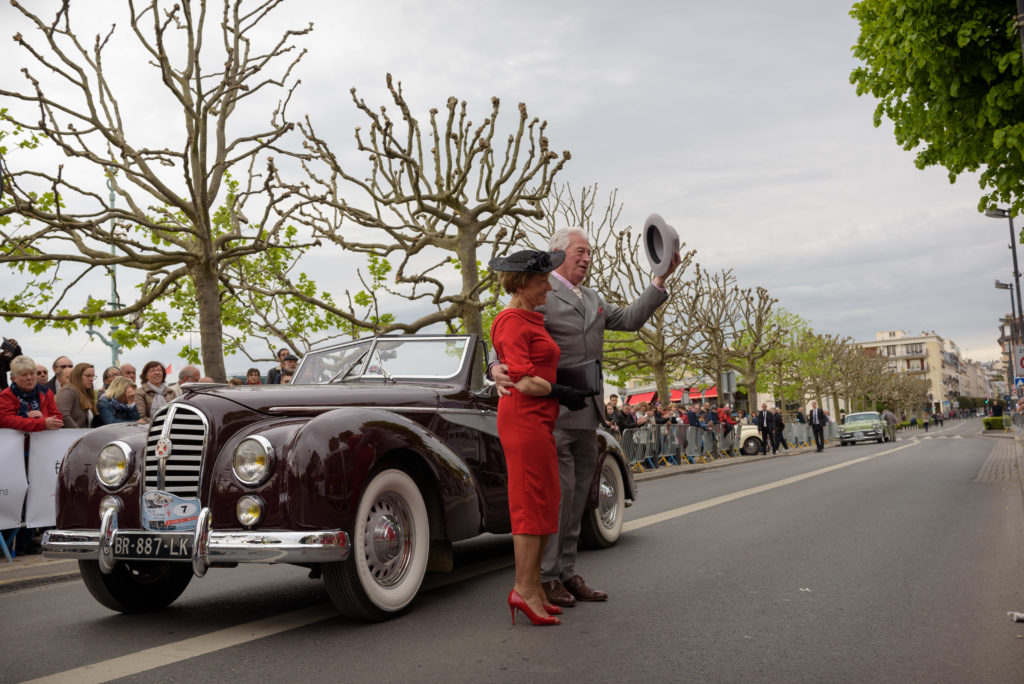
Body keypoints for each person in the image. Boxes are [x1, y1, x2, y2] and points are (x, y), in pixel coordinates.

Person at [492, 226, 681, 608]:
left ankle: (565, 571)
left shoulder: (593, 298)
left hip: (586, 412)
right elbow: (509, 333)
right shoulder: (540, 291)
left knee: (578, 497)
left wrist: (659, 281)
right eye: (580, 251)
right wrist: (495, 367)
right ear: (559, 254)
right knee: (556, 498)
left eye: (590, 252)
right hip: (549, 412)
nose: (587, 257)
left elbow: (629, 319)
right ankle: (543, 579)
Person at [489, 248, 589, 626]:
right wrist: (562, 392)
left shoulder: (529, 316)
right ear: (521, 284)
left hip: (539, 420)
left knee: (545, 501)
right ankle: (524, 589)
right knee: (530, 505)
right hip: (523, 419)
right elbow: (523, 379)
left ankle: (531, 587)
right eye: (542, 280)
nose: (549, 285)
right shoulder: (511, 319)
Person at [0, 356, 63, 554]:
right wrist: (36, 422)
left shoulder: (46, 393)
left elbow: (57, 418)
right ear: (14, 378)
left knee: (35, 495)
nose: (30, 378)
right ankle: (10, 543)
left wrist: (42, 419)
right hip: (14, 454)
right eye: (24, 375)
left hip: (40, 454)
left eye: (32, 374)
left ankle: (26, 541)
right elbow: (6, 420)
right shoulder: (6, 395)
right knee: (17, 495)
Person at [56, 362, 99, 428]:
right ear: (77, 376)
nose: (91, 379)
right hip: (70, 436)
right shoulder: (69, 390)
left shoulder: (86, 393)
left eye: (93, 376)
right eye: (88, 376)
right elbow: (63, 415)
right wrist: (78, 433)